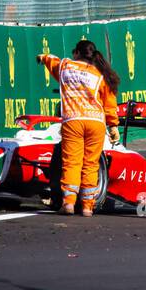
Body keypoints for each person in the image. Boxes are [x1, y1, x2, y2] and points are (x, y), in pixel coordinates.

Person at [38, 40, 120, 217]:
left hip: (73, 120)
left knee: (72, 163)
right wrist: (113, 125)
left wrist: (43, 57)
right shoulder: (100, 74)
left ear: (76, 53)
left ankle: (68, 204)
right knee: (90, 164)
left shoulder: (65, 66)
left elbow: (52, 60)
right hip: (96, 122)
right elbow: (110, 104)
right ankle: (87, 207)